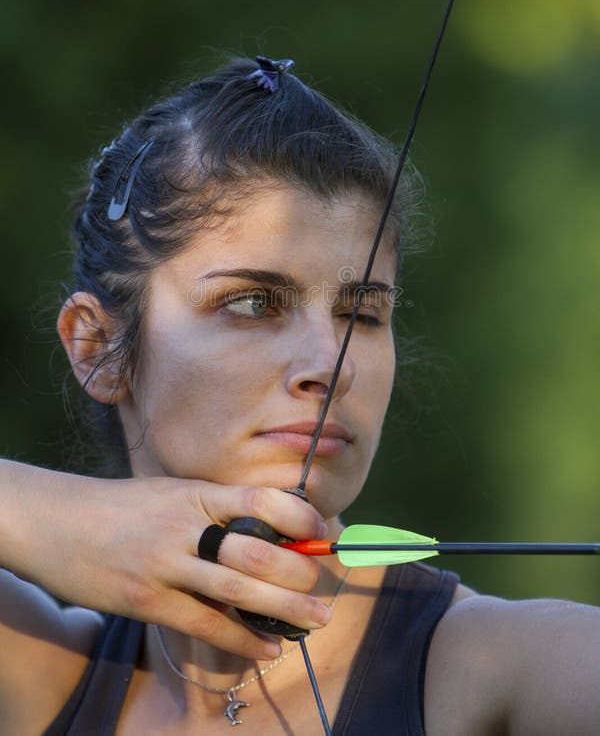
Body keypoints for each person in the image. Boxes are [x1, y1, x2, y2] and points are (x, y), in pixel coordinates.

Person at [0, 56, 598, 736]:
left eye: (363, 314)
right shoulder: (40, 672)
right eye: (253, 302)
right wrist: (58, 517)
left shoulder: (497, 664)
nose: (330, 364)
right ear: (96, 347)